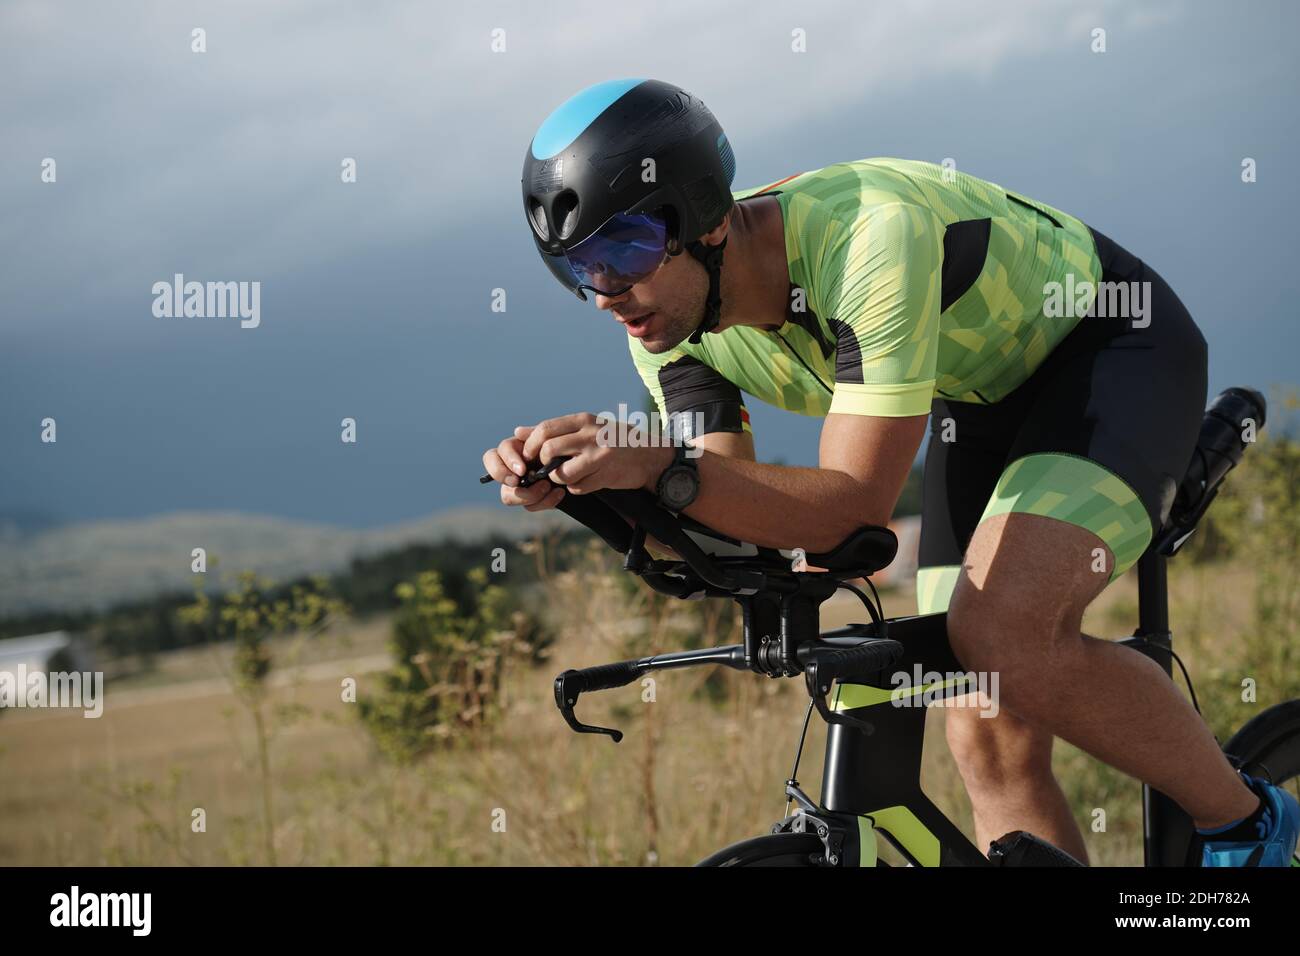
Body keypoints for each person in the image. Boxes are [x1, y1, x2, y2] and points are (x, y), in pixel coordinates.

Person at [483, 77, 1299, 866]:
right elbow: (722, 524)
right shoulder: (668, 323)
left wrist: (657, 461)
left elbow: (849, 507)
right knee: (979, 715)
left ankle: (1246, 822)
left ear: (704, 217)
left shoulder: (868, 236)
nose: (606, 294)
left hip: (1109, 355)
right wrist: (598, 491)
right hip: (974, 400)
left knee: (1001, 637)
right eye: (579, 269)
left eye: (623, 250)